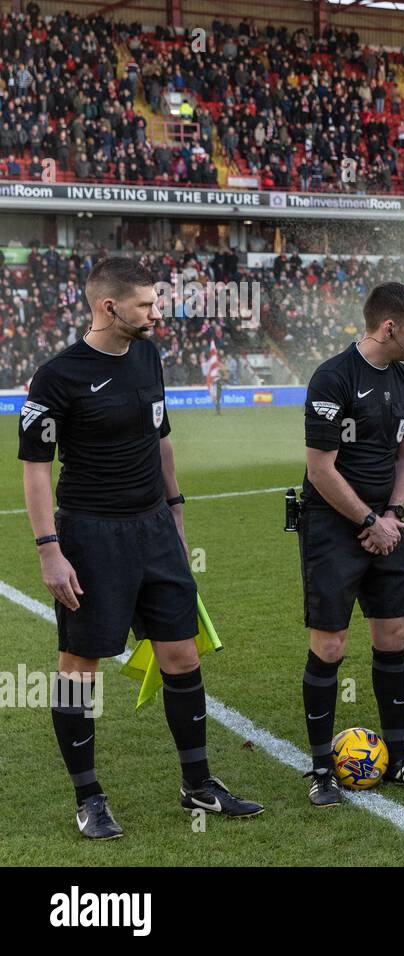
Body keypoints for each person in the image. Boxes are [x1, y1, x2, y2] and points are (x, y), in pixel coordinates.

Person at [19, 257, 262, 838]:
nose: (157, 313)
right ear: (109, 307)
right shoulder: (57, 377)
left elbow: (162, 439)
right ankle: (89, 797)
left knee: (182, 656)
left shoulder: (150, 356)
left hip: (154, 529)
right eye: (147, 305)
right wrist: (49, 550)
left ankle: (198, 786)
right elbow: (33, 471)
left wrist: (176, 512)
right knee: (80, 667)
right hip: (91, 534)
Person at [297, 282, 404, 807]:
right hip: (332, 526)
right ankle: (320, 768)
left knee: (394, 633)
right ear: (389, 327)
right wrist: (367, 518)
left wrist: (393, 515)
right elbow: (320, 468)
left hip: (385, 525)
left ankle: (399, 756)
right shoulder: (333, 378)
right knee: (330, 645)